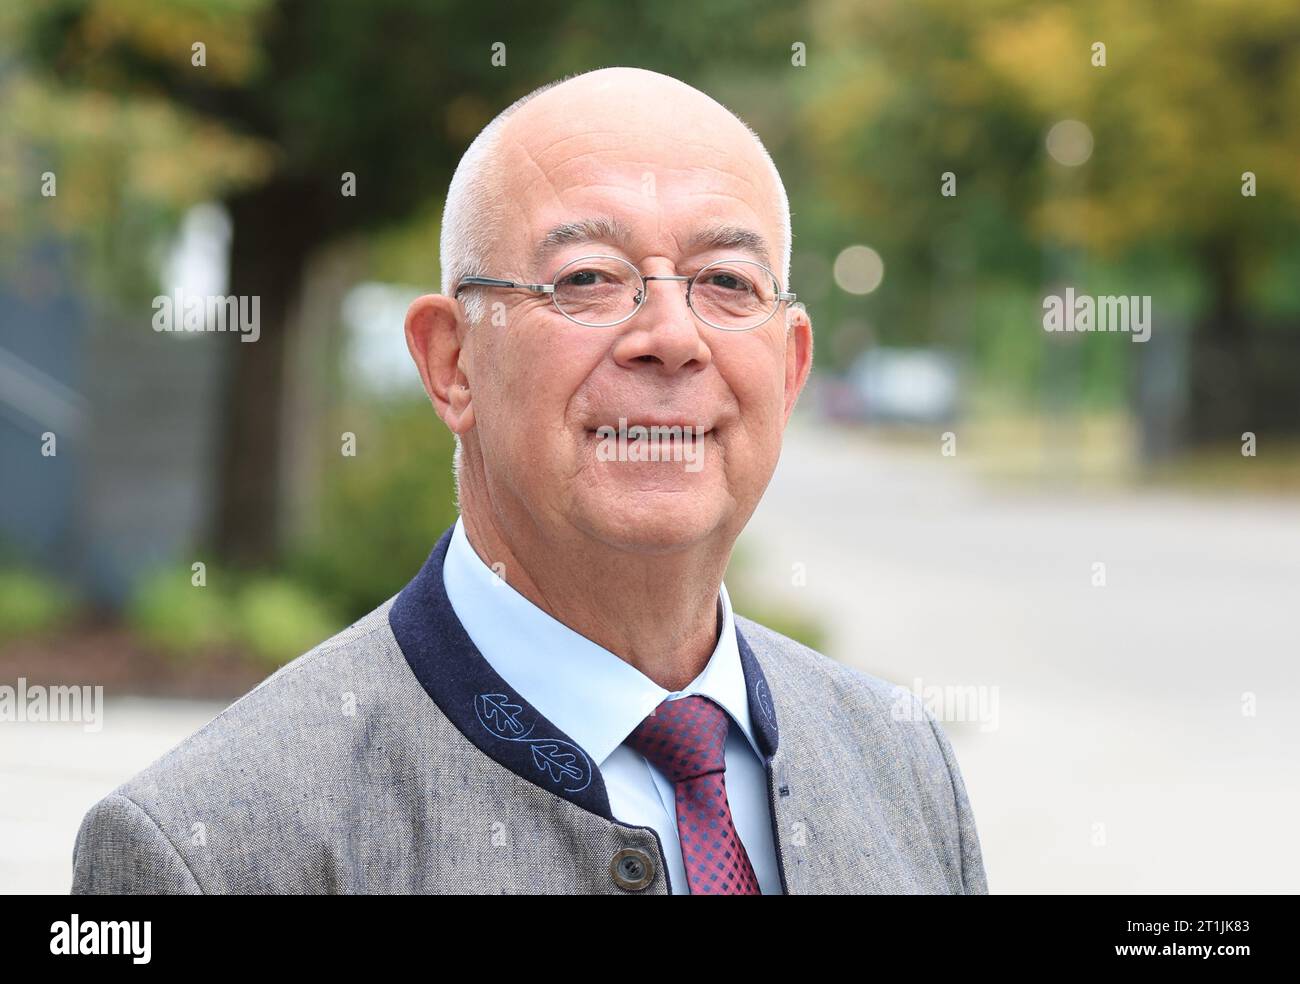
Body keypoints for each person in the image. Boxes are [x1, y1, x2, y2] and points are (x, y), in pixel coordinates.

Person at [72, 66, 987, 895]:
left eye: (728, 282)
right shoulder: (212, 850)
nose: (671, 335)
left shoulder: (902, 767)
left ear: (789, 373)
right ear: (452, 362)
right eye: (586, 277)